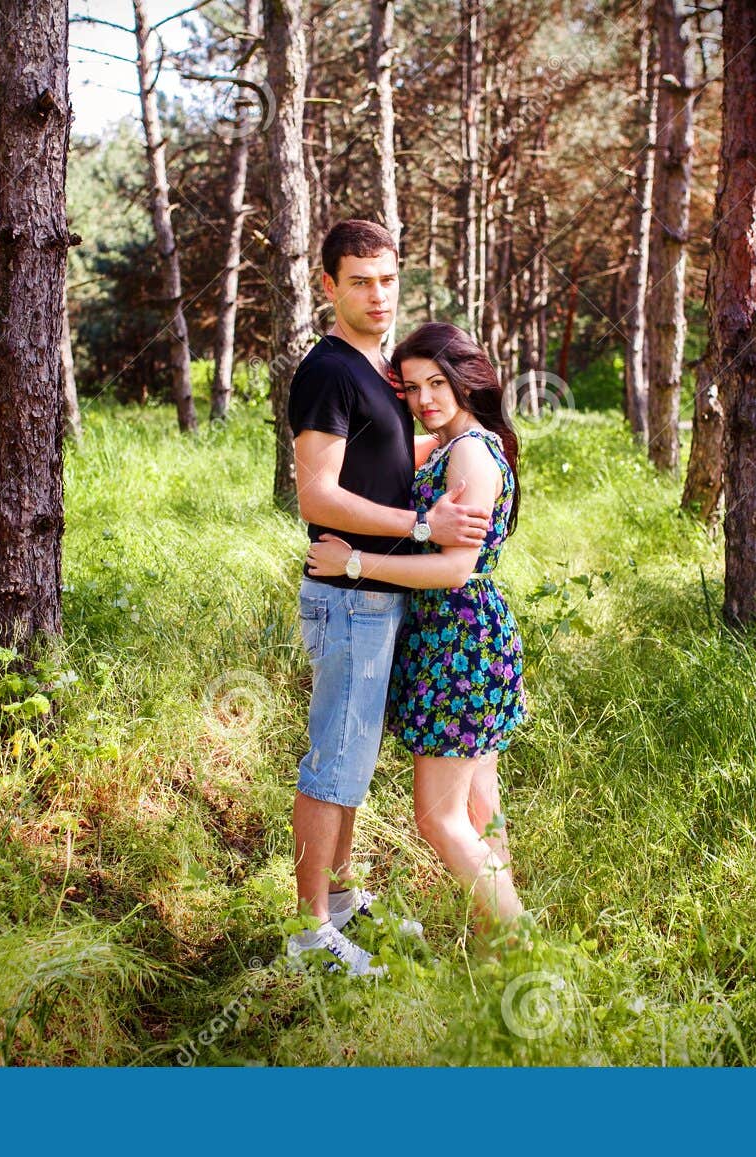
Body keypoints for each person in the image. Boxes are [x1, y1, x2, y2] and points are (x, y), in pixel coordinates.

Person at [285, 221, 492, 976]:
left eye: (387, 280)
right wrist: (420, 522)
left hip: (377, 592)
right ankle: (309, 934)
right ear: (329, 286)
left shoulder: (380, 366)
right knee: (333, 764)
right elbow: (317, 492)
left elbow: (380, 459)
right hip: (348, 597)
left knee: (353, 763)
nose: (378, 295)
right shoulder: (330, 372)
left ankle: (337, 906)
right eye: (360, 281)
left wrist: (447, 451)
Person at [306, 322, 527, 939]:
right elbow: (380, 464)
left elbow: (456, 568)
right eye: (411, 387)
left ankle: (528, 952)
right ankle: (496, 945)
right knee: (482, 807)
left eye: (438, 382)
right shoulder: (455, 442)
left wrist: (354, 564)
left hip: (460, 642)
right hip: (457, 638)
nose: (425, 399)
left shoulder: (469, 451)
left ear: (466, 378)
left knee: (438, 817)